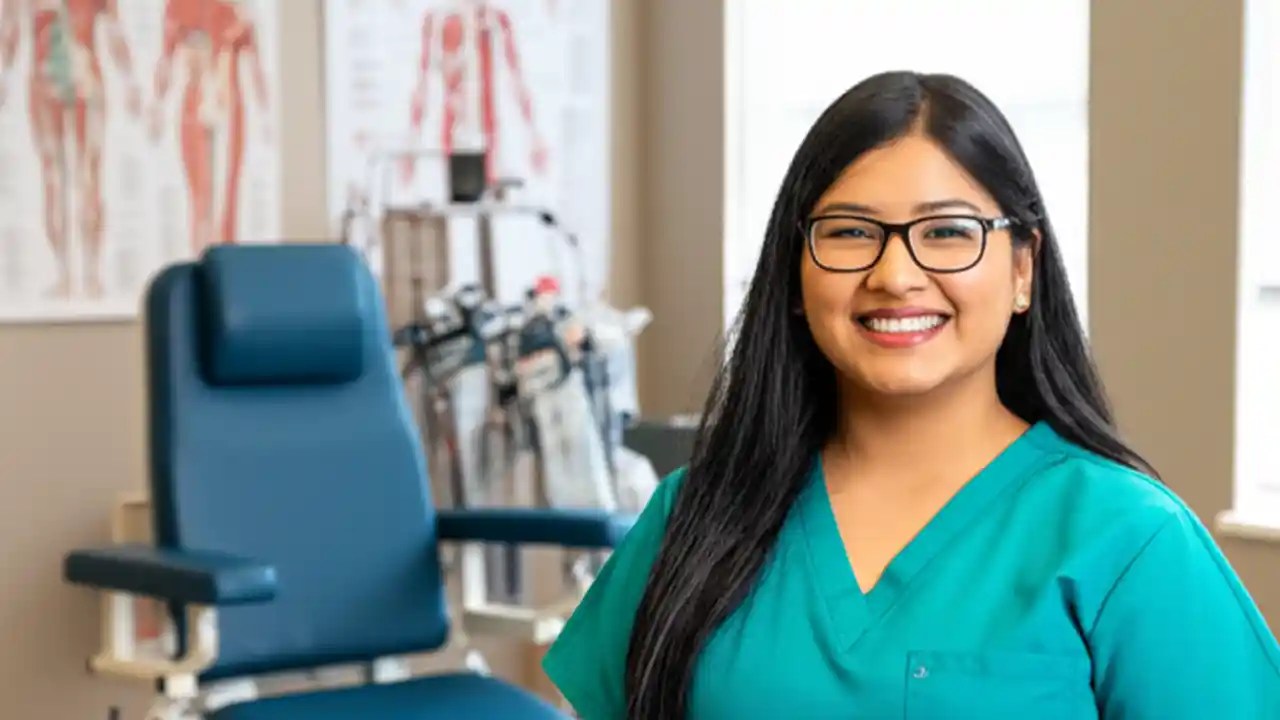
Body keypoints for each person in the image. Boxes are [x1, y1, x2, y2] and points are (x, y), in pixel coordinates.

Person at [541, 72, 1280, 718]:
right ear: (796, 276)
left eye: (949, 233)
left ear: (1024, 270)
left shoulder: (1129, 538)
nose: (895, 275)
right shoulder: (692, 518)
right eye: (851, 232)